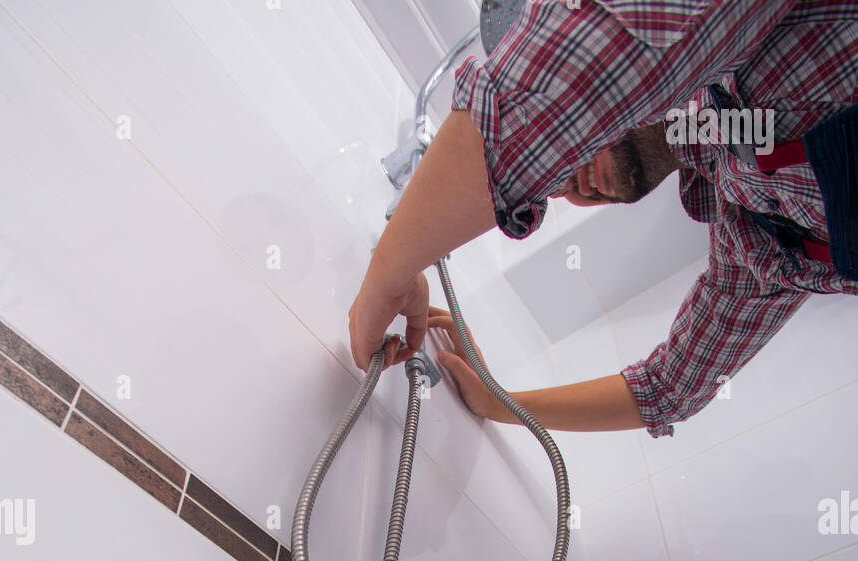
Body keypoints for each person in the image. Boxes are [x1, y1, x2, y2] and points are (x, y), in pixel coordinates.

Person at [348, 0, 858, 439]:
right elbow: (669, 387)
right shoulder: (760, 237)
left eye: (556, 159)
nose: (561, 187)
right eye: (545, 183)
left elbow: (600, 56)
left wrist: (386, 279)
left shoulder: (744, 52)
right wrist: (496, 401)